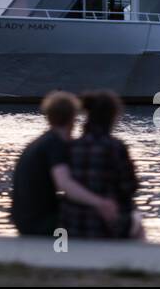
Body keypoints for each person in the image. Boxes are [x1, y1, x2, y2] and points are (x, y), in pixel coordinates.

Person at [10, 91, 119, 237]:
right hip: (41, 224)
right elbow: (64, 183)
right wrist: (99, 202)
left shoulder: (42, 142)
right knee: (118, 223)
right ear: (73, 118)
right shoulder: (55, 145)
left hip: (24, 220)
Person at [59, 91, 144, 240]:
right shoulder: (116, 147)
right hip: (107, 224)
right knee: (137, 221)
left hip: (73, 224)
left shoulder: (71, 147)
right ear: (112, 117)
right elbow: (129, 187)